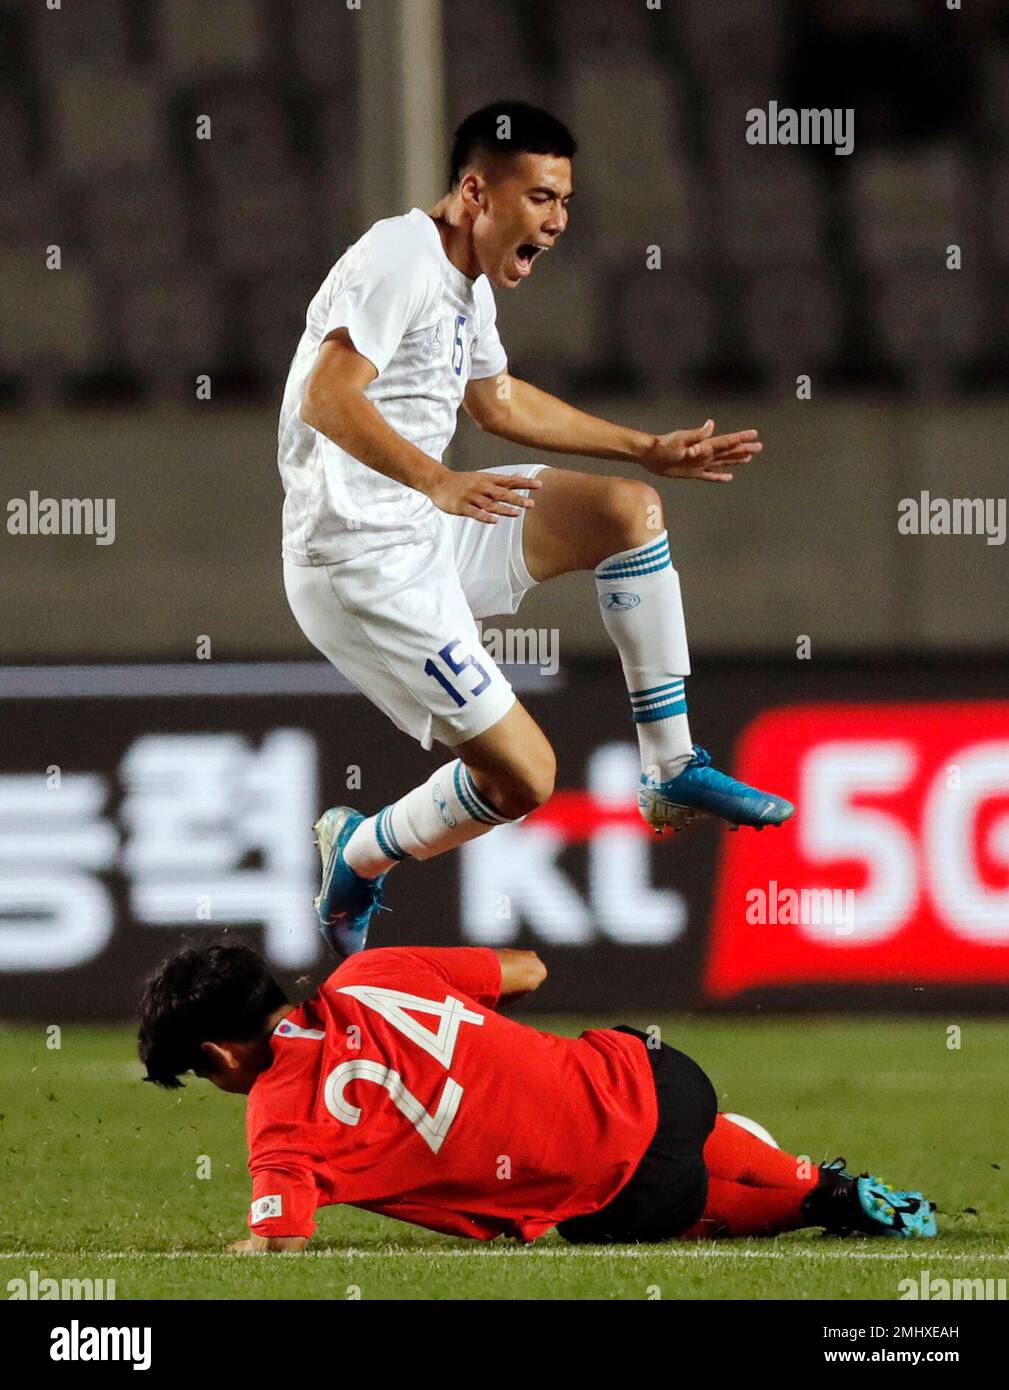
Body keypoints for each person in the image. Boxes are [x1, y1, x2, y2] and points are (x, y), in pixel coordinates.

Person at [277, 100, 794, 957]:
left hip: (430, 521)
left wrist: (643, 448)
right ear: (476, 191)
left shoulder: (460, 280)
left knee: (626, 511)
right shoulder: (399, 256)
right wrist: (438, 480)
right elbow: (325, 398)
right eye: (541, 199)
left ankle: (670, 769)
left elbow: (496, 400)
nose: (556, 223)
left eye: (565, 204)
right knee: (527, 779)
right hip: (361, 561)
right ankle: (358, 852)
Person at [138, 940, 937, 1251]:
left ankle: (810, 1203)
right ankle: (814, 1180)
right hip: (667, 1076)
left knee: (614, 1193)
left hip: (631, 1201)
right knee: (631, 1106)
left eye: (205, 1073)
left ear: (217, 1051)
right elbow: (527, 972)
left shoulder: (280, 1118)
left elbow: (279, 1242)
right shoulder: (373, 973)